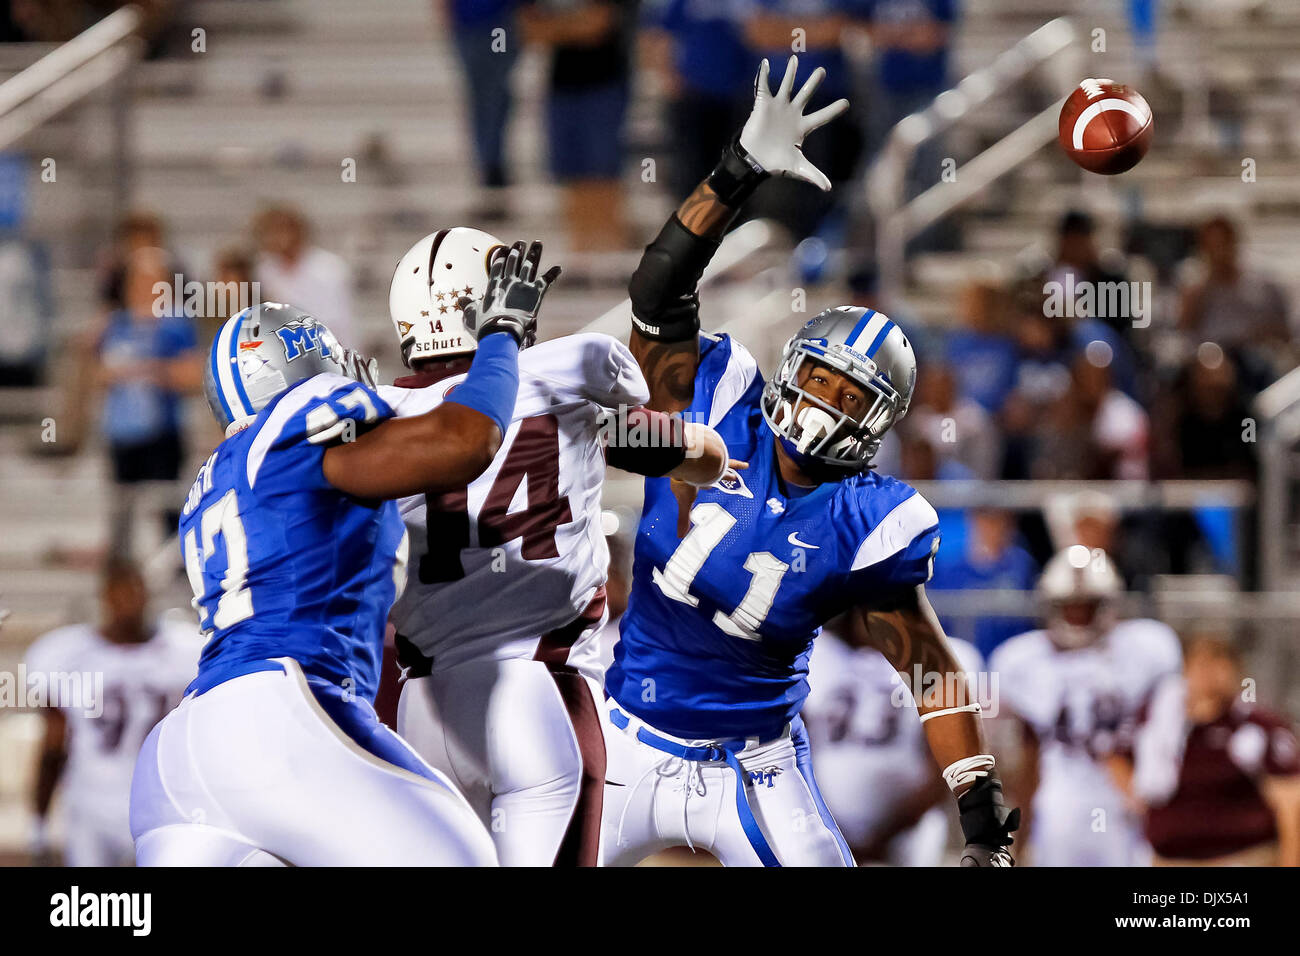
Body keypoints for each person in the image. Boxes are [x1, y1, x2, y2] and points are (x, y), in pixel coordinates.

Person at [601, 56, 1019, 867]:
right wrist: (737, 172)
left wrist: (980, 802)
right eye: (819, 378)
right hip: (622, 736)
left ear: (879, 420)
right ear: (790, 367)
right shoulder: (717, 399)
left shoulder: (870, 516)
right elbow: (657, 296)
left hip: (755, 764)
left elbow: (926, 663)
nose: (825, 402)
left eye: (849, 395)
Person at [129, 242, 555, 866]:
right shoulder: (304, 424)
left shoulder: (222, 475)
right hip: (278, 722)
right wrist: (500, 336)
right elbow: (466, 440)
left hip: (179, 762)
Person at [382, 227, 734, 866]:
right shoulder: (570, 378)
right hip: (539, 694)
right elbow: (707, 455)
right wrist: (614, 433)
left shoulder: (375, 418)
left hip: (421, 712)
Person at [989, 546, 1181, 866]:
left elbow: (1168, 721)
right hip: (1059, 797)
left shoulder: (1145, 647)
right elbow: (1013, 746)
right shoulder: (1020, 660)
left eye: (1086, 607)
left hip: (1126, 795)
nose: (1077, 616)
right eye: (1069, 607)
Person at [26, 558, 201, 866]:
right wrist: (39, 823)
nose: (128, 602)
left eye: (135, 591)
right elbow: (53, 748)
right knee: (94, 909)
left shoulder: (185, 648)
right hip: (92, 805)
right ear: (105, 597)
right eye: (120, 593)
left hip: (162, 802)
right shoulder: (66, 655)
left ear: (147, 595)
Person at [802, 619, 983, 864]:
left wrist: (884, 837)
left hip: (909, 831)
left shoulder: (941, 656)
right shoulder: (814, 654)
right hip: (823, 826)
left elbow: (946, 765)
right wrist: (829, 827)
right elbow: (792, 753)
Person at [1129, 635, 1300, 866]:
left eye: (1218, 663)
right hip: (1170, 859)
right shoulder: (1162, 721)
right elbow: (1115, 756)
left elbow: (1290, 803)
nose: (1207, 674)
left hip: (1241, 857)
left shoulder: (1256, 727)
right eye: (1200, 663)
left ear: (1236, 671)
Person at [93, 245, 201, 556]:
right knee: (121, 510)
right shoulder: (116, 324)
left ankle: (177, 566)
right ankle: (120, 571)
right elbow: (99, 373)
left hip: (162, 432)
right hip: (122, 432)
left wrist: (150, 370)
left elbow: (191, 374)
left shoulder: (175, 324)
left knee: (167, 506)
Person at [519, 0, 637, 251]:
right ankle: (582, 250)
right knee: (571, 173)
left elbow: (598, 25)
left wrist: (556, 29)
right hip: (561, 89)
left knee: (602, 172)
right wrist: (572, 27)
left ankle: (609, 249)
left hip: (604, 85)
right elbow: (529, 29)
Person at [444, 0, 520, 220]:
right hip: (471, 23)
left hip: (498, 20)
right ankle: (490, 170)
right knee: (485, 100)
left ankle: (493, 170)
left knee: (493, 98)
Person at [253, 204, 356, 344]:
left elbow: (337, 322)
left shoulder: (329, 268)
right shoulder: (264, 271)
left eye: (282, 230)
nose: (277, 238)